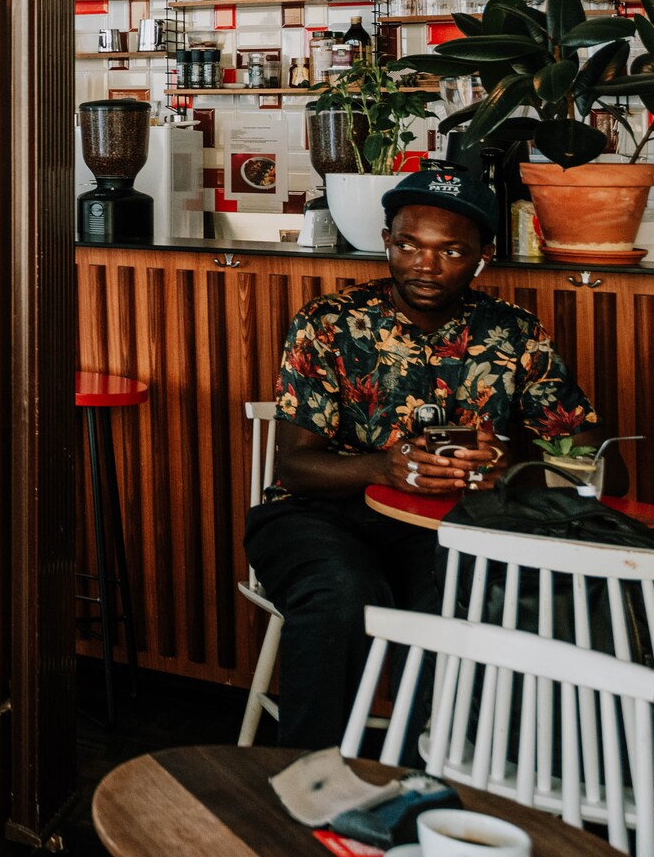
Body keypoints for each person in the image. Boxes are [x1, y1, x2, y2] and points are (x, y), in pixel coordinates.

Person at [246, 162, 604, 747]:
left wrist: (508, 472)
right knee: (340, 592)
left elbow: (594, 465)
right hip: (316, 515)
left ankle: (418, 772)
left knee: (456, 600)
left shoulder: (513, 333)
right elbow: (294, 467)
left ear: (483, 256)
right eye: (408, 245)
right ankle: (311, 778)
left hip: (445, 527)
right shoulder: (330, 322)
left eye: (451, 251)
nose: (425, 265)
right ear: (387, 241)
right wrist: (382, 466)